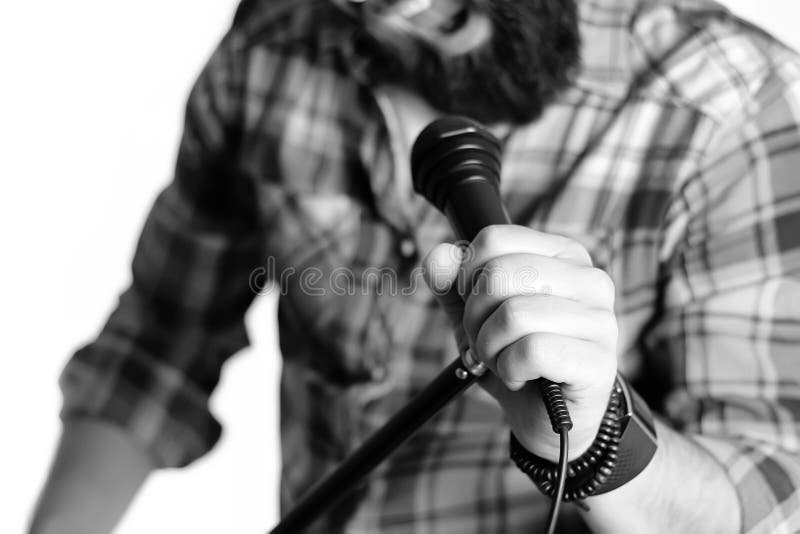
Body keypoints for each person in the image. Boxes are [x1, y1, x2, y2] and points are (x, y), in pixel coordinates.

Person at [29, 0, 800, 532]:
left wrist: (599, 440)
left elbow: (772, 494)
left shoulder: (727, 103)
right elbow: (157, 343)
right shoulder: (272, 44)